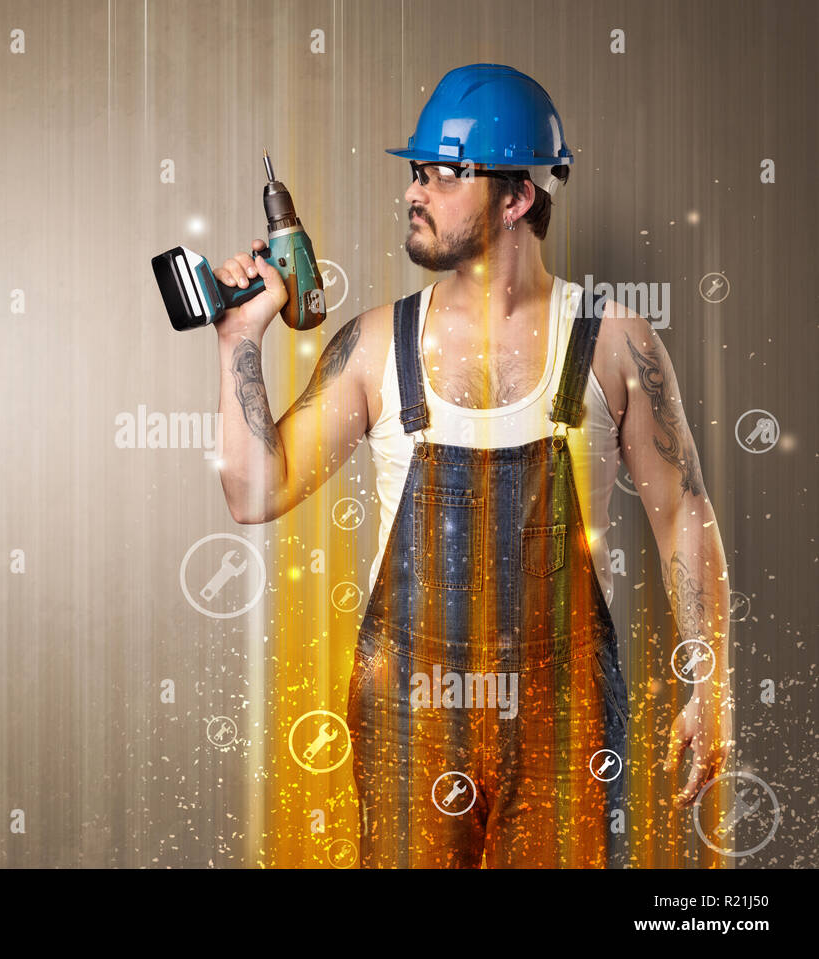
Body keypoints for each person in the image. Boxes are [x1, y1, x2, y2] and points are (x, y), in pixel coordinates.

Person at [213, 63, 733, 867]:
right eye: (416, 173)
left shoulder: (616, 341)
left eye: (443, 175)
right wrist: (240, 342)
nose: (415, 192)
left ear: (517, 197)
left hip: (569, 720)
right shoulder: (375, 345)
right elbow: (254, 493)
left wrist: (712, 685)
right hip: (410, 718)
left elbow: (684, 514)